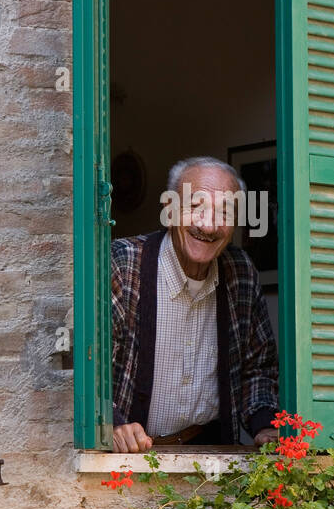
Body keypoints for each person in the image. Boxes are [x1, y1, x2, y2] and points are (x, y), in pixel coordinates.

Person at [110, 156, 279, 451]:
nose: (209, 225)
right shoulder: (123, 264)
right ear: (169, 209)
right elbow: (87, 363)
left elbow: (258, 367)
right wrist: (109, 422)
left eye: (224, 212)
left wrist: (264, 424)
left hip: (209, 450)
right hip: (131, 456)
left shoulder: (241, 273)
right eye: (195, 206)